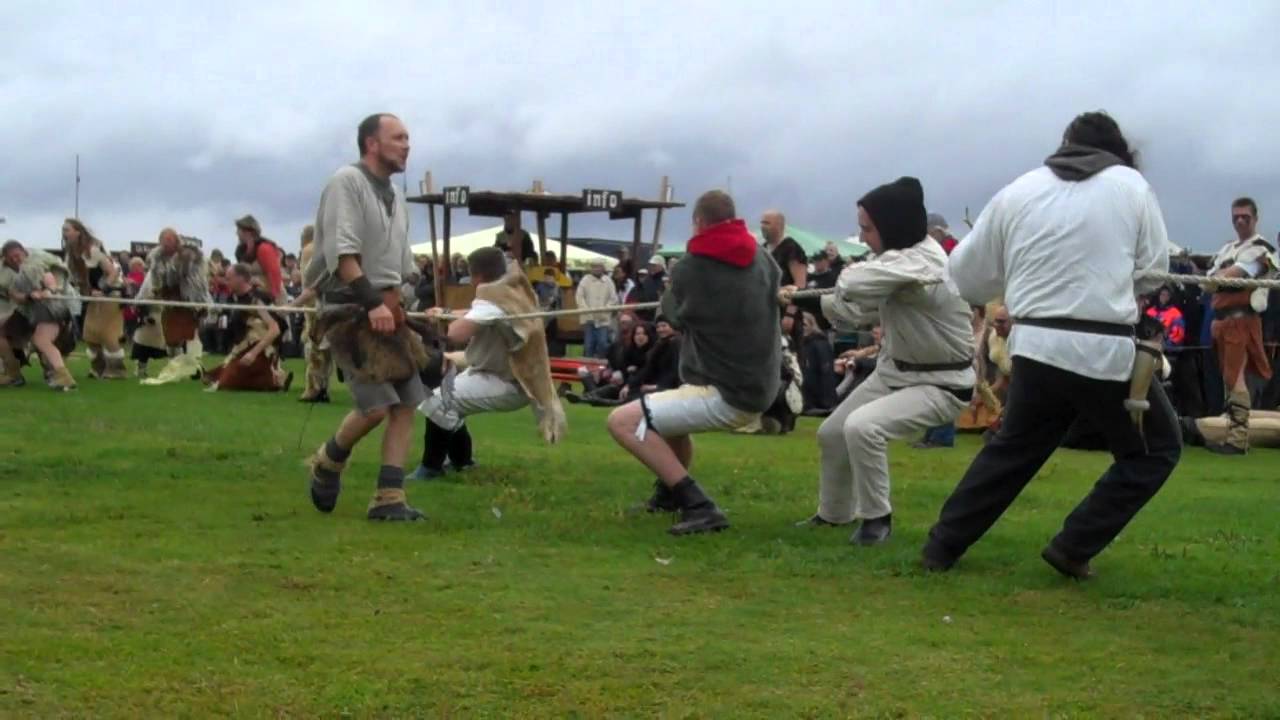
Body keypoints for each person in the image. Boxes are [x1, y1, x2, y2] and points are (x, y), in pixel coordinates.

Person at [922, 111, 1180, 579]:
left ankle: (941, 546)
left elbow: (966, 274)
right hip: (1104, 348)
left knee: (1013, 451)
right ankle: (1074, 544)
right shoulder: (1132, 186)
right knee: (1154, 450)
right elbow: (1153, 272)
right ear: (1119, 151)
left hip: (1037, 347)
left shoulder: (1019, 189)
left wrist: (1022, 283)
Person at [797, 177, 975, 545]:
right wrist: (802, 299)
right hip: (896, 372)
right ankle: (834, 515)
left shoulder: (924, 262)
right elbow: (857, 311)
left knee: (864, 428)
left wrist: (829, 290)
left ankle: (876, 521)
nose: (861, 238)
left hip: (942, 382)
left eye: (867, 229)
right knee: (832, 434)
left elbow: (853, 285)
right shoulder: (894, 263)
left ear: (892, 226)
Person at [606, 190, 781, 535]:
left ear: (699, 222)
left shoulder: (693, 266)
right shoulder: (763, 258)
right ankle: (669, 495)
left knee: (622, 422)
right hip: (760, 383)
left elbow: (671, 314)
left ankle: (698, 504)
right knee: (672, 422)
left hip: (729, 392)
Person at [302, 112, 429, 521]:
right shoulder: (348, 183)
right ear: (372, 144)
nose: (407, 145)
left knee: (408, 401)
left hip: (386, 311)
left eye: (408, 137)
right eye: (398, 137)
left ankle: (389, 498)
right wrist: (373, 303)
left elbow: (400, 265)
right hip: (350, 309)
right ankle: (328, 460)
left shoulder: (394, 197)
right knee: (375, 407)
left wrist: (400, 302)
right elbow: (344, 257)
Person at [413, 246, 567, 479]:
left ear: (477, 277)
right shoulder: (511, 291)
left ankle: (431, 468)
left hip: (511, 381)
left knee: (440, 401)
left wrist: (441, 322)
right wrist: (446, 311)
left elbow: (456, 334)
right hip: (503, 373)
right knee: (445, 399)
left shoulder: (493, 299)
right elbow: (478, 311)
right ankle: (462, 461)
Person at [1203, 197, 1276, 454]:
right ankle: (1234, 435)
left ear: (1255, 218)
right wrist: (1220, 279)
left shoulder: (1260, 249)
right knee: (1229, 377)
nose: (1240, 221)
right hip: (1223, 319)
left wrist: (1220, 278)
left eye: (1245, 216)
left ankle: (1237, 439)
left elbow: (1233, 276)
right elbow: (1209, 281)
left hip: (1241, 319)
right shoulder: (1228, 249)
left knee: (1235, 378)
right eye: (1236, 217)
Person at [136, 227, 211, 383]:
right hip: (170, 301)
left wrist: (198, 303)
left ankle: (196, 367)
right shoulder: (157, 259)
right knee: (171, 337)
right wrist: (156, 291)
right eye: (163, 241)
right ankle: (176, 366)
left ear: (176, 241)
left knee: (190, 334)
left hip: (189, 302)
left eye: (169, 240)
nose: (165, 244)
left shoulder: (189, 256)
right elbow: (156, 280)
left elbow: (196, 281)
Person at [0, 240, 78, 390]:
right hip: (28, 311)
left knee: (41, 340)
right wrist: (29, 295)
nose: (16, 260)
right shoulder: (11, 275)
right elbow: (15, 295)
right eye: (12, 258)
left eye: (17, 255)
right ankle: (13, 373)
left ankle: (64, 376)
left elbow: (50, 280)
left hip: (49, 308)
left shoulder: (34, 265)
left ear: (23, 252)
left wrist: (49, 290)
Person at [204, 263, 293, 392]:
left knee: (226, 381)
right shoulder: (234, 298)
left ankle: (274, 378)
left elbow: (275, 329)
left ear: (240, 279)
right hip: (244, 346)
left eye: (229, 279)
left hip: (260, 348)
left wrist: (253, 353)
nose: (226, 282)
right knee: (211, 377)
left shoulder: (256, 299)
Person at [63, 218, 128, 379]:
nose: (64, 233)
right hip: (91, 298)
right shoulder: (71, 255)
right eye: (63, 230)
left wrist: (103, 289)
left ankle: (117, 370)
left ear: (78, 232)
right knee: (90, 335)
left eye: (67, 229)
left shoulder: (93, 251)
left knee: (107, 334)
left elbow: (113, 272)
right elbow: (73, 278)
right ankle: (98, 367)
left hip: (110, 296)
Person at [233, 215, 286, 301]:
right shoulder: (241, 251)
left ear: (248, 232)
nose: (236, 233)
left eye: (238, 230)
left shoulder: (264, 248)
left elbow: (274, 274)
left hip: (271, 297)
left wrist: (273, 298)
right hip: (254, 296)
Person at [575, 259, 616, 358]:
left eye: (598, 266)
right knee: (588, 345)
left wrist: (606, 309)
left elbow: (613, 298)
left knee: (602, 343)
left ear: (603, 268)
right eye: (594, 266)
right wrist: (586, 309)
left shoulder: (608, 281)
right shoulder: (585, 280)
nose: (596, 269)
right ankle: (587, 366)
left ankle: (601, 365)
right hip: (589, 318)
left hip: (603, 319)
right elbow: (579, 296)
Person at [760, 210, 807, 288]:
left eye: (766, 223)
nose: (762, 226)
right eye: (762, 223)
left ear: (779, 226)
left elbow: (800, 284)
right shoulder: (762, 249)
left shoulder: (791, 248)